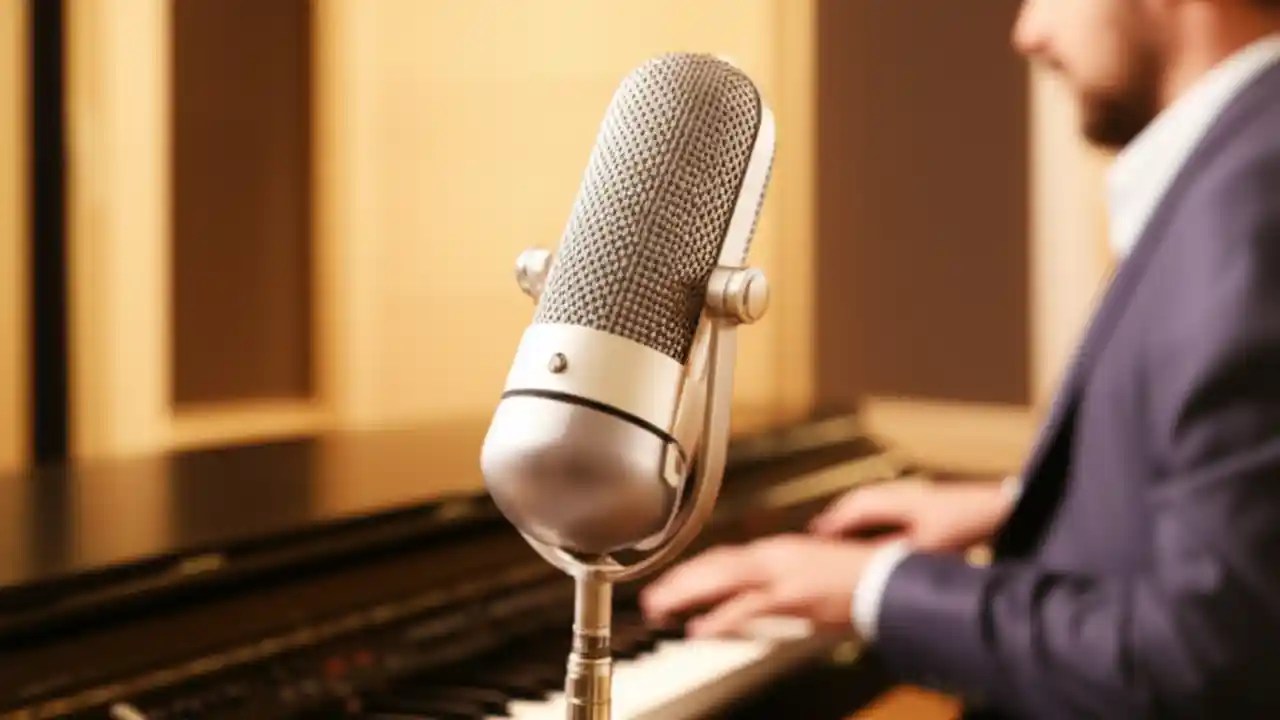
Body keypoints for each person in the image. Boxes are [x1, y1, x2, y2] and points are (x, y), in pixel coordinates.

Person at [640, 0, 1280, 717]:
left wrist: (875, 588)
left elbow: (1206, 660)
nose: (1029, 33)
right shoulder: (1244, 164)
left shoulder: (1254, 200)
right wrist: (1024, 506)